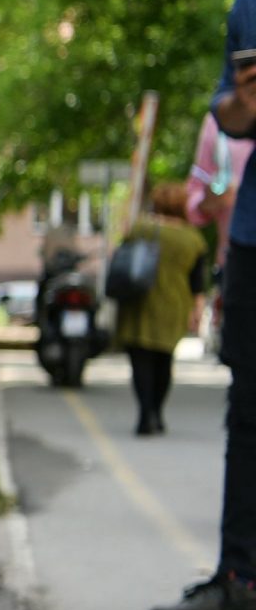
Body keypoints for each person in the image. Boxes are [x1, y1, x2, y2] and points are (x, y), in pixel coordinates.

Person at [153, 0, 256, 610]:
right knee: (247, 407)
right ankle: (240, 578)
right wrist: (240, 105)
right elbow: (228, 110)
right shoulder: (249, 1)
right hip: (253, 233)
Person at [113, 181, 209, 438]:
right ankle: (156, 411)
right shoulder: (193, 239)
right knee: (164, 360)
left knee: (140, 360)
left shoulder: (140, 228)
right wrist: (197, 313)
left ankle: (145, 413)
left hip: (139, 302)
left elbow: (122, 258)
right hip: (174, 305)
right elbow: (197, 283)